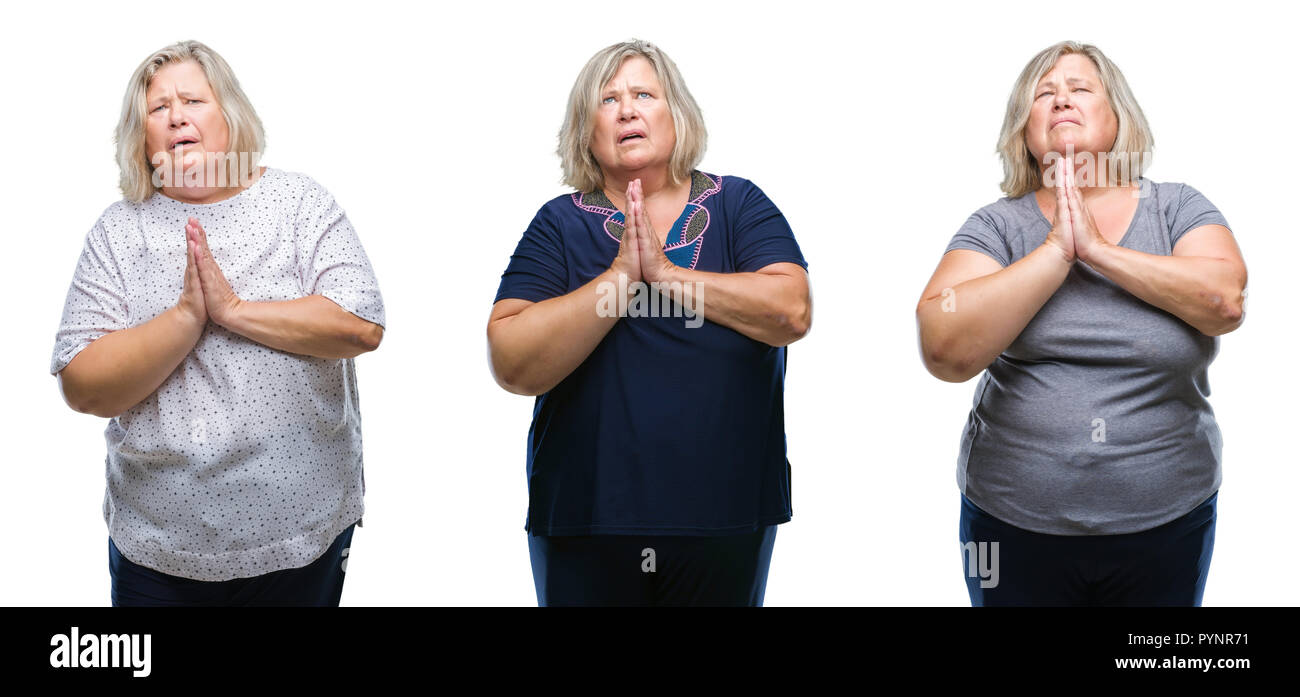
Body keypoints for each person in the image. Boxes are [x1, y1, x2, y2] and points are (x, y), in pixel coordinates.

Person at [50, 40, 386, 606]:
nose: (176, 115)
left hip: (301, 540)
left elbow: (360, 324)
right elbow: (82, 384)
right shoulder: (118, 232)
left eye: (192, 100)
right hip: (157, 553)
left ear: (229, 114)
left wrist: (233, 312)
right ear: (143, 140)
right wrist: (185, 318)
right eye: (158, 109)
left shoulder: (298, 203)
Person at [916, 41, 1246, 606]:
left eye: (1080, 88)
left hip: (1167, 520)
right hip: (1010, 523)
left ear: (1119, 117)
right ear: (1025, 132)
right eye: (1043, 94)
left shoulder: (1176, 208)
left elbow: (1224, 300)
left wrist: (1098, 251)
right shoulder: (997, 226)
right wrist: (1054, 253)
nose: (1060, 99)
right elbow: (943, 345)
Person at [488, 40, 811, 606]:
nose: (627, 110)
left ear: (676, 114)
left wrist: (665, 274)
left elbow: (791, 310)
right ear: (585, 131)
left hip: (726, 515)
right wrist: (619, 279)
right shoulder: (560, 224)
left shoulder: (737, 204)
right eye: (607, 100)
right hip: (586, 520)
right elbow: (512, 360)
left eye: (643, 94)